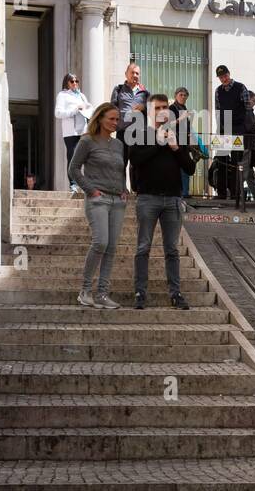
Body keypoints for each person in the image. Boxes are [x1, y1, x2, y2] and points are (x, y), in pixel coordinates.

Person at [130, 93, 195, 310]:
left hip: (173, 199)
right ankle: (140, 292)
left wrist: (176, 148)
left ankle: (175, 293)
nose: (161, 111)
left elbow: (190, 168)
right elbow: (136, 160)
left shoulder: (177, 134)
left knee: (172, 250)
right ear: (149, 111)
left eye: (164, 107)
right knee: (143, 247)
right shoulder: (140, 133)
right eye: (157, 108)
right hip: (148, 198)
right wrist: (159, 142)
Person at [66, 103, 127, 309]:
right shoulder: (87, 141)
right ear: (99, 118)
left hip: (117, 201)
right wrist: (90, 190)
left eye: (117, 119)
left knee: (110, 248)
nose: (115, 123)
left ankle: (102, 294)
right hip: (97, 199)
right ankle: (85, 291)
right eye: (111, 119)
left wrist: (124, 188)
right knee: (100, 242)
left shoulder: (118, 145)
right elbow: (73, 169)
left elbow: (120, 170)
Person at [110, 61, 148, 189]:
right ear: (126, 74)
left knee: (137, 162)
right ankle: (122, 189)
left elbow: (154, 109)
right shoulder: (119, 89)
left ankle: (137, 189)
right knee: (121, 161)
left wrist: (144, 106)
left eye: (137, 73)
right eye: (132, 72)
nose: (135, 75)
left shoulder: (145, 92)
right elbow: (112, 108)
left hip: (139, 132)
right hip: (123, 131)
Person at [213, 65, 250, 199]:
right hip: (224, 128)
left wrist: (244, 127)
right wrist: (218, 130)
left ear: (229, 74)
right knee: (221, 161)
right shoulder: (218, 91)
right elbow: (217, 111)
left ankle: (235, 193)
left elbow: (248, 108)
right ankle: (221, 193)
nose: (223, 79)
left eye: (225, 76)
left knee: (236, 161)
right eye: (221, 77)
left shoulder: (240, 87)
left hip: (238, 128)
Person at [54, 73, 93, 192]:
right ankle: (73, 184)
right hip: (71, 132)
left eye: (77, 81)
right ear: (67, 82)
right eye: (72, 81)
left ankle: (85, 183)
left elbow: (88, 110)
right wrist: (75, 109)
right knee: (72, 158)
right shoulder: (63, 95)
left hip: (83, 131)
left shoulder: (82, 96)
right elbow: (58, 113)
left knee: (85, 157)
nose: (75, 83)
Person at [167, 87, 200, 199]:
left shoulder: (184, 108)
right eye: (181, 94)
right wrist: (181, 119)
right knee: (176, 168)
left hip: (184, 143)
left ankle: (184, 192)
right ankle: (178, 192)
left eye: (185, 95)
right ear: (176, 95)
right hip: (175, 143)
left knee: (185, 168)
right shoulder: (171, 108)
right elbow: (168, 125)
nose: (183, 97)